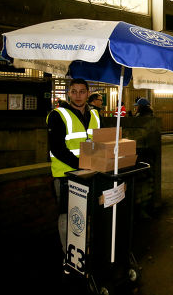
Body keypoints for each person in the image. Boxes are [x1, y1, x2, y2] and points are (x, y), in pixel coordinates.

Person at [46, 78, 101, 258]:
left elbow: (100, 142)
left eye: (82, 91)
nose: (78, 95)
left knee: (86, 213)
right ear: (68, 93)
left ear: (88, 93)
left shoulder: (95, 115)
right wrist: (80, 165)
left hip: (89, 172)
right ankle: (68, 255)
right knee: (66, 214)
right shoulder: (58, 115)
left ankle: (84, 249)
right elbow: (57, 147)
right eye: (74, 91)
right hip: (65, 174)